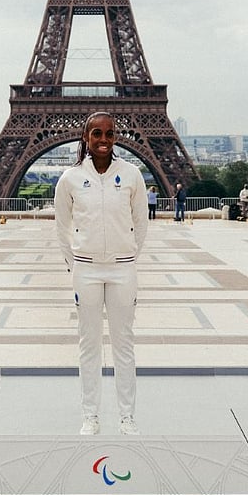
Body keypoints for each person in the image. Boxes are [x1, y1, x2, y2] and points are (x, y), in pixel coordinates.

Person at [54, 111, 149, 436]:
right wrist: (77, 263)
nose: (103, 139)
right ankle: (90, 415)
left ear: (116, 137)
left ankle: (127, 416)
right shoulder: (70, 178)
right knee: (89, 345)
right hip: (87, 269)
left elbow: (141, 222)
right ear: (86, 137)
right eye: (96, 133)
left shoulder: (132, 175)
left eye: (109, 133)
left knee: (124, 345)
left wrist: (127, 256)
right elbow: (62, 227)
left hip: (122, 269)